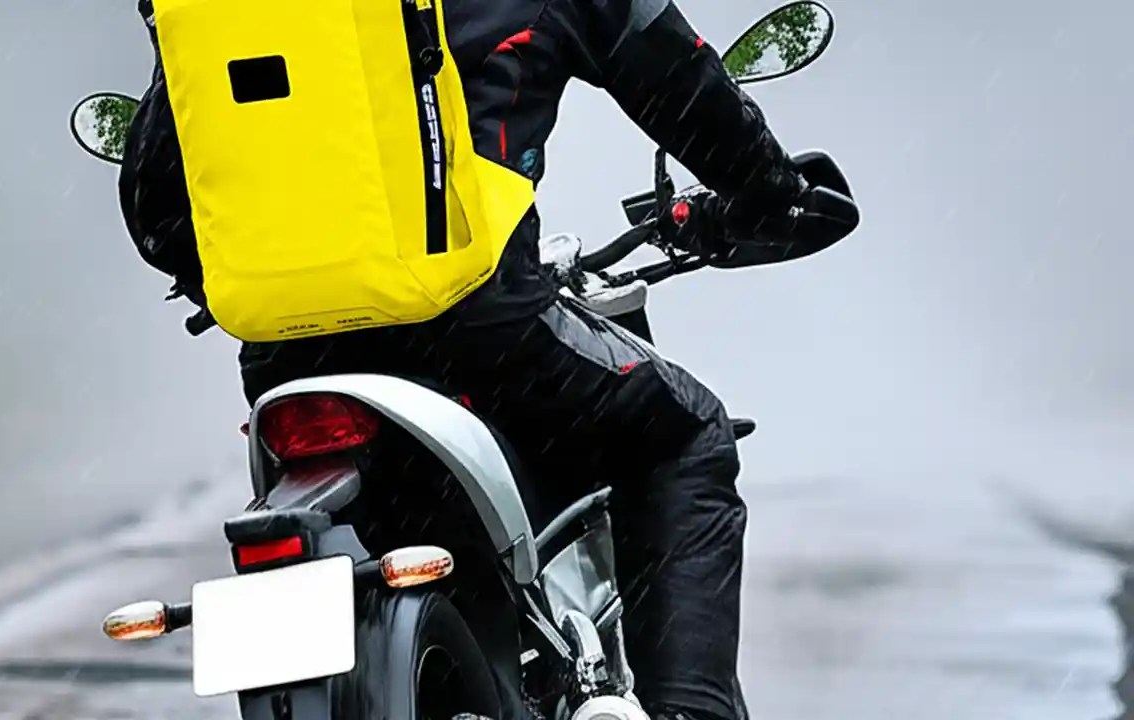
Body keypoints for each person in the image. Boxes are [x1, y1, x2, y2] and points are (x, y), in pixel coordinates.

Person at [120, 0, 810, 717]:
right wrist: (770, 193)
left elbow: (155, 201)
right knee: (686, 433)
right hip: (482, 334)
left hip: (291, 363)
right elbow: (677, 80)